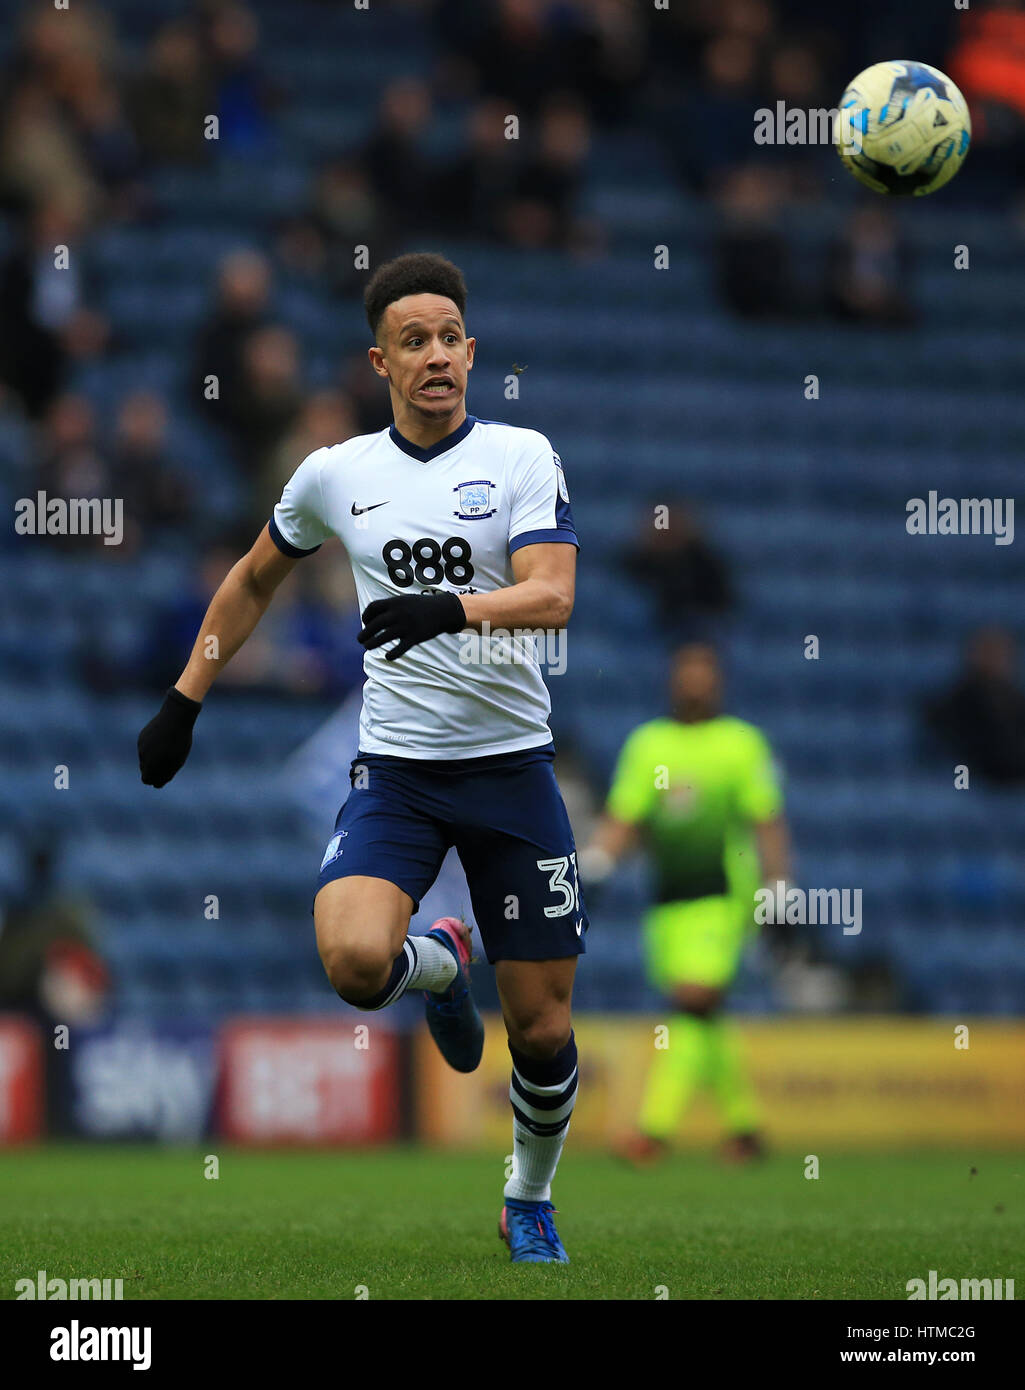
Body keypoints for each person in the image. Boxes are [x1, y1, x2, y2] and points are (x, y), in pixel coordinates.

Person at [137, 252, 584, 1264]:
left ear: (472, 352)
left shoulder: (521, 456)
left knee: (544, 1030)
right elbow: (251, 581)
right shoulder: (334, 473)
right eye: (412, 341)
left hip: (511, 767)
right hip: (396, 773)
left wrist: (449, 608)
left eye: (448, 339)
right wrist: (184, 698)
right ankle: (438, 964)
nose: (435, 357)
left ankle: (527, 1194)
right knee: (349, 960)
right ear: (377, 360)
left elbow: (551, 595)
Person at [579, 643, 790, 1163]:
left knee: (692, 999)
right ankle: (745, 1128)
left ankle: (654, 1129)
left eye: (705, 673)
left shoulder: (740, 744)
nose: (695, 683)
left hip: (722, 892)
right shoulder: (649, 744)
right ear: (672, 679)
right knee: (702, 1013)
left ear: (718, 681)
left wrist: (779, 884)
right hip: (667, 898)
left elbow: (766, 818)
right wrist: (596, 862)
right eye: (686, 673)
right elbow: (625, 815)